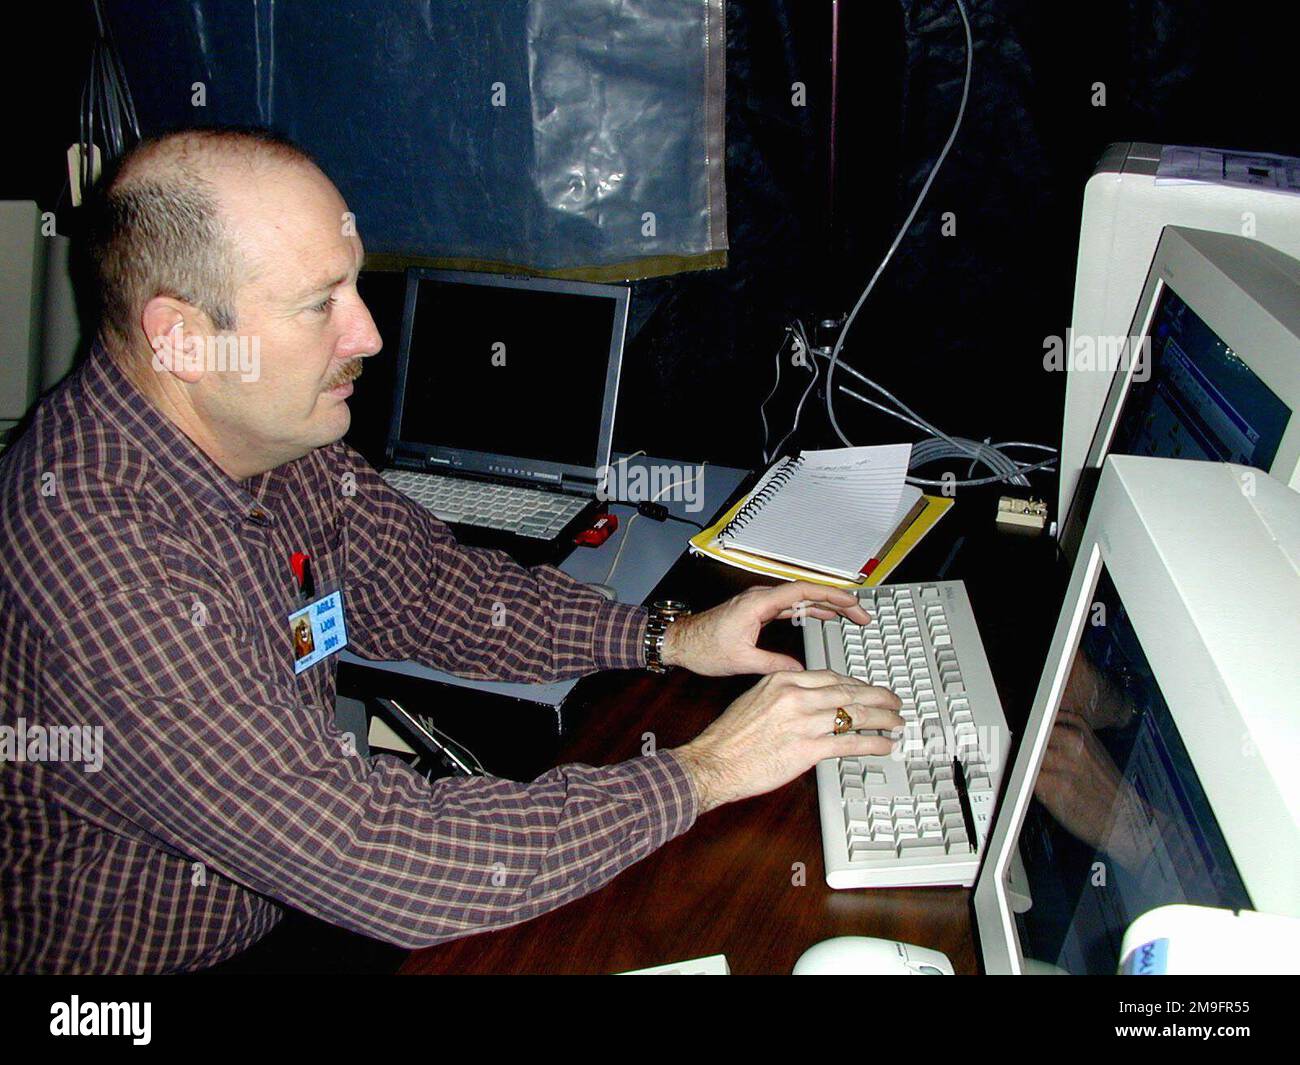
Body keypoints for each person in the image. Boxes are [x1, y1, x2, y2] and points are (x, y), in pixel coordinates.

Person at [0, 128, 902, 974]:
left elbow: (437, 592)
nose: (369, 335)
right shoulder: (94, 547)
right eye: (322, 305)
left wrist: (671, 636)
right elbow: (371, 857)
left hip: (277, 908)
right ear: (182, 339)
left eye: (355, 285)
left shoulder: (276, 445)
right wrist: (708, 770)